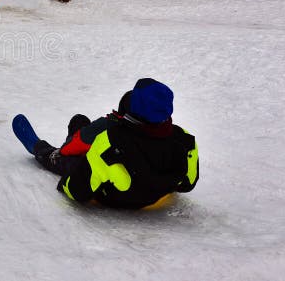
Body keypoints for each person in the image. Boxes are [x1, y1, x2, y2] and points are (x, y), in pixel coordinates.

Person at [13, 78, 199, 209]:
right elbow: (187, 184)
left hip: (114, 198)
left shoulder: (111, 141)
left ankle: (44, 151)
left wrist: (67, 182)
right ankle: (75, 135)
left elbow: (77, 191)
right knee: (81, 124)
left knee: (76, 142)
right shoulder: (185, 140)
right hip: (156, 196)